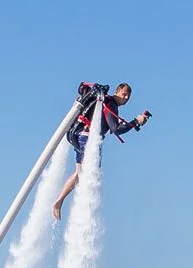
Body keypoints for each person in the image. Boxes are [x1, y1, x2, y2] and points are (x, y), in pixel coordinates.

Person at [52, 82, 152, 220]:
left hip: (79, 134)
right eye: (124, 94)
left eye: (128, 96)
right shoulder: (111, 104)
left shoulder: (106, 103)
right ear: (117, 92)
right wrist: (135, 122)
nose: (126, 98)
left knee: (80, 174)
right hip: (87, 138)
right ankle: (82, 210)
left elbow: (111, 124)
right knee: (90, 173)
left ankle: (59, 201)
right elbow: (116, 129)